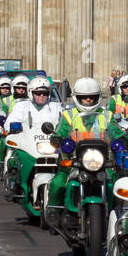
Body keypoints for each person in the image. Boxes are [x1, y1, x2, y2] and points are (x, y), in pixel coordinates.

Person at [46, 77, 110, 215]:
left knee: (115, 182)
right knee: (58, 183)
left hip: (102, 163)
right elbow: (61, 131)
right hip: (74, 162)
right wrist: (57, 138)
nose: (88, 100)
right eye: (84, 97)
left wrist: (123, 139)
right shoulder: (69, 115)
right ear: (77, 98)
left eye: (92, 97)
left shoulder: (105, 114)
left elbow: (115, 131)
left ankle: (116, 213)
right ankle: (53, 211)